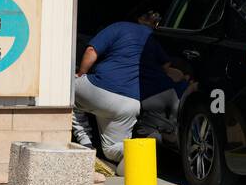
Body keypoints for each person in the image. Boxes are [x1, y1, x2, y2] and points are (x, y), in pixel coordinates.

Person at [73, 10, 185, 171]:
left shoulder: (118, 27)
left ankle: (85, 143)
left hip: (100, 89)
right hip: (130, 103)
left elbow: (91, 51)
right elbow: (167, 68)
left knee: (64, 88)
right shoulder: (151, 39)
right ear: (155, 24)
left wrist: (81, 74)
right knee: (112, 150)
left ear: (138, 18)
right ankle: (140, 151)